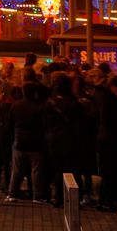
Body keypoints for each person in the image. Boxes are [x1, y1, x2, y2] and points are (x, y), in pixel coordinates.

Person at [5, 81, 50, 202]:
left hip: (19, 141)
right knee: (36, 171)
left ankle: (12, 193)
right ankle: (37, 196)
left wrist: (14, 136)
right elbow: (44, 125)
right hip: (36, 143)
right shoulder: (39, 107)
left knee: (17, 170)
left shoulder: (16, 105)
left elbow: (9, 124)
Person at [46, 77, 86, 207]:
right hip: (71, 140)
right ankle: (76, 198)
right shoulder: (74, 103)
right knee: (73, 170)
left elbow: (45, 122)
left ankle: (58, 198)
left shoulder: (50, 102)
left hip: (54, 140)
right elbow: (81, 123)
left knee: (58, 170)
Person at [93, 75, 117, 212]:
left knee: (107, 171)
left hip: (105, 139)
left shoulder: (104, 98)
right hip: (111, 140)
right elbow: (112, 121)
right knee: (110, 171)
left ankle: (105, 201)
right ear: (114, 86)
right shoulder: (111, 100)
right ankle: (109, 200)